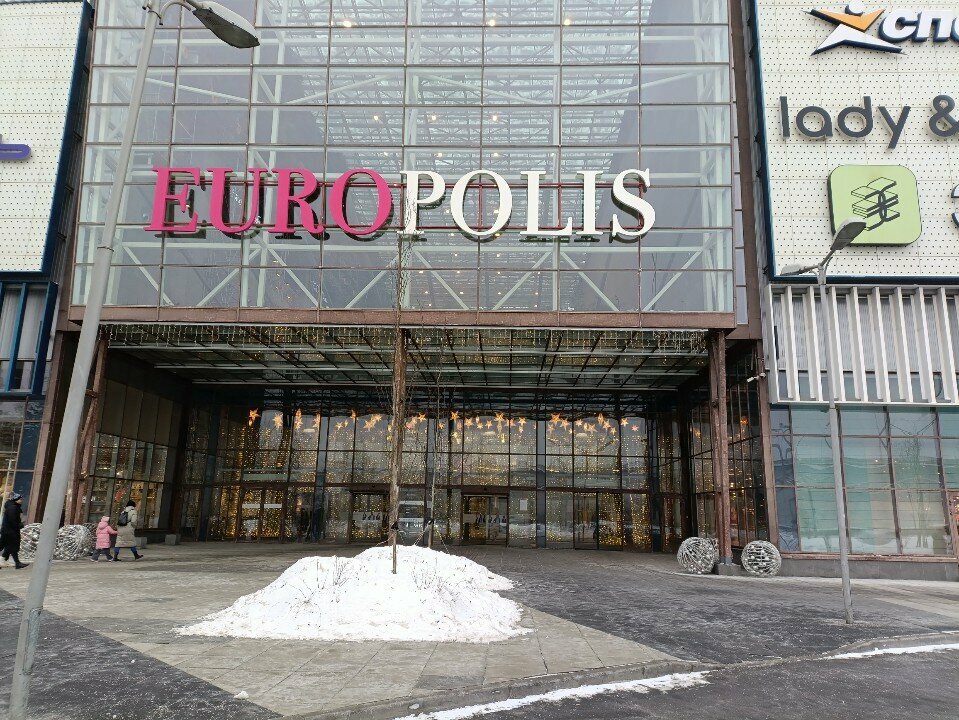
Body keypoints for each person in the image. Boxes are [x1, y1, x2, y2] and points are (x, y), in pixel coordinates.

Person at [0, 493, 28, 569]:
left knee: (7, 546)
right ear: (15, 499)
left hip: (8, 530)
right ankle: (17, 563)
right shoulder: (12, 508)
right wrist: (19, 525)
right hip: (9, 531)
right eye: (20, 499)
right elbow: (12, 520)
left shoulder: (14, 507)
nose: (21, 500)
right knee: (12, 546)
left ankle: (4, 560)